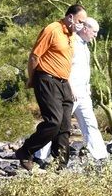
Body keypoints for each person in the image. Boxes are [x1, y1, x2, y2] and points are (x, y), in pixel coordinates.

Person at [14, 4, 85, 171]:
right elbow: (34, 56)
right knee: (53, 121)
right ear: (70, 17)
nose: (81, 25)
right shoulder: (52, 30)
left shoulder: (71, 35)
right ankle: (26, 151)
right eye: (80, 21)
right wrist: (32, 79)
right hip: (46, 79)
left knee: (65, 127)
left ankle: (60, 165)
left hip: (64, 82)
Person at [37, 17, 108, 163]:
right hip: (70, 92)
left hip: (83, 94)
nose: (95, 35)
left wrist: (87, 88)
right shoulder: (71, 43)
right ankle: (39, 155)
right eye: (94, 32)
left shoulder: (85, 46)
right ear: (85, 28)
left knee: (90, 123)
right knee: (57, 125)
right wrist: (71, 89)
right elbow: (65, 68)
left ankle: (101, 156)